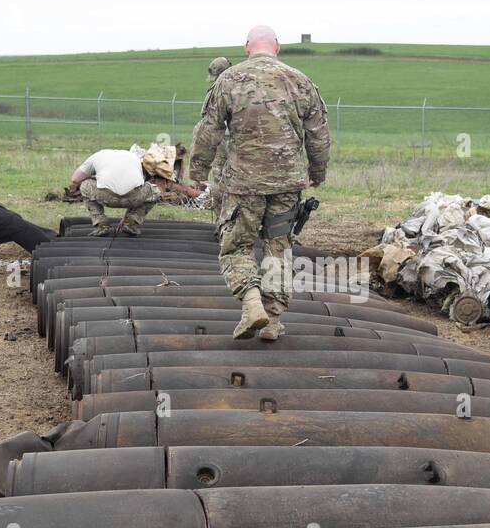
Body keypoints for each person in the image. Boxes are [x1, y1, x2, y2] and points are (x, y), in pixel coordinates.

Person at [189, 26, 329, 339]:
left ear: (246, 47)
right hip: (286, 184)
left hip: (243, 183)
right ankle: (274, 321)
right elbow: (319, 133)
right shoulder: (300, 80)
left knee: (237, 245)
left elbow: (208, 129)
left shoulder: (229, 80)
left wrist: (198, 169)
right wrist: (318, 171)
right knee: (278, 247)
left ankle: (252, 304)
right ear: (277, 47)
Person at [64, 144, 203, 235]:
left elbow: (75, 179)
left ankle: (100, 222)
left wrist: (77, 187)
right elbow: (143, 182)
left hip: (105, 196)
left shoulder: (96, 156)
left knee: (84, 185)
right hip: (133, 198)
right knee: (155, 190)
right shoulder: (135, 158)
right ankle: (131, 221)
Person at [188, 56, 232, 210]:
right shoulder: (242, 85)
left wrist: (198, 170)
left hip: (222, 141)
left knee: (220, 179)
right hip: (235, 141)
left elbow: (208, 126)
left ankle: (223, 215)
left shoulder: (216, 91)